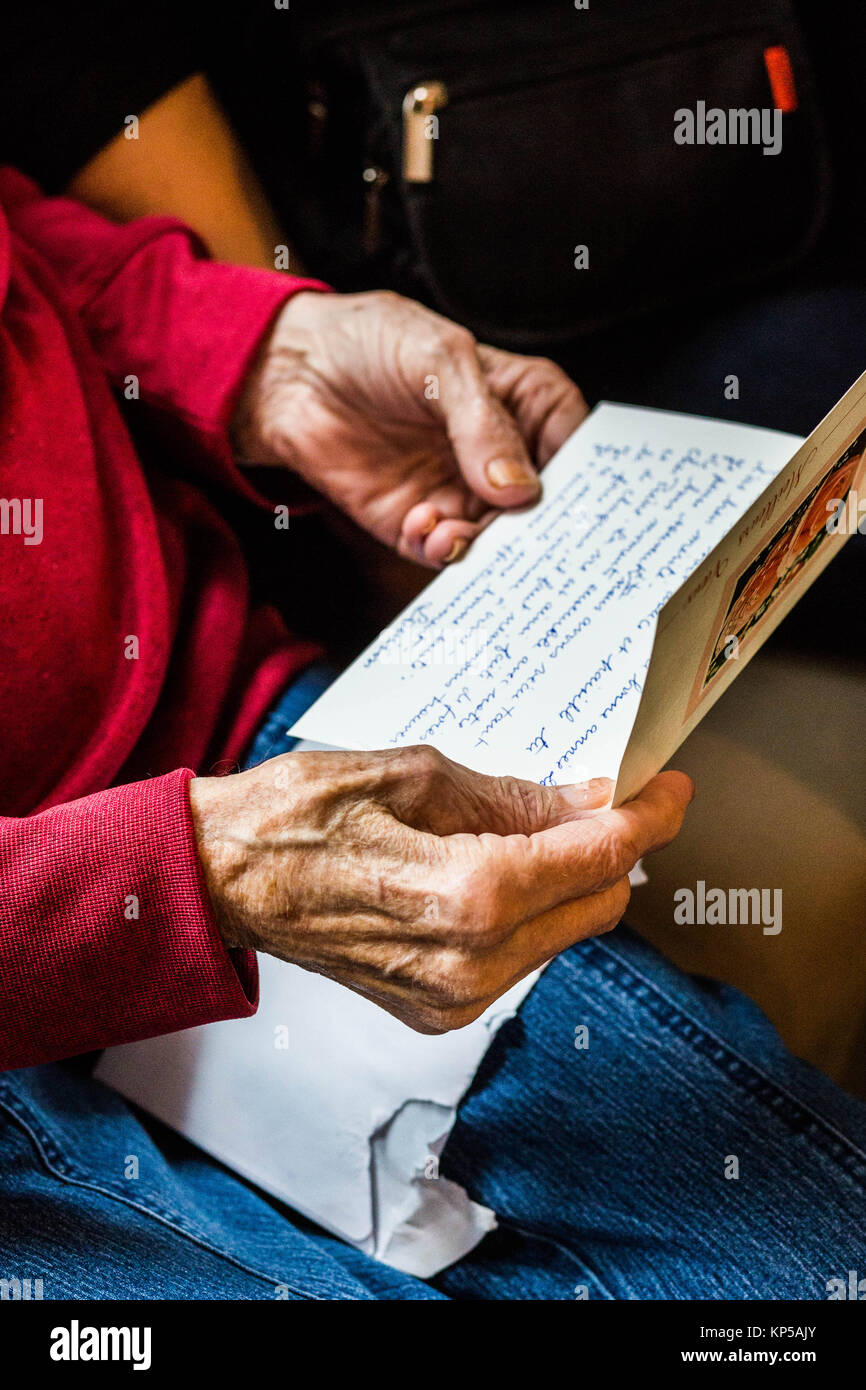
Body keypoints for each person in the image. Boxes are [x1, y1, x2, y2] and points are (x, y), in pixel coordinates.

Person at [2, 156, 866, 1300]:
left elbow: (36, 254)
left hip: (226, 734)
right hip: (116, 894)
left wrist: (259, 357)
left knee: (813, 1271)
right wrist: (175, 874)